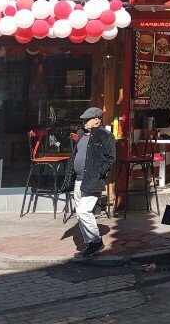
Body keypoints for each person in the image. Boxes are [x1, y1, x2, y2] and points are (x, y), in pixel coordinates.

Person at [61, 106, 116, 259]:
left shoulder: (106, 136)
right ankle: (89, 244)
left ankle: (95, 242)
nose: (84, 122)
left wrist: (98, 173)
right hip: (78, 180)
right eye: (83, 119)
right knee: (81, 214)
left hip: (92, 180)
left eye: (87, 119)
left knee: (83, 211)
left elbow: (111, 159)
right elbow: (76, 154)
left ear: (97, 120)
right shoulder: (81, 134)